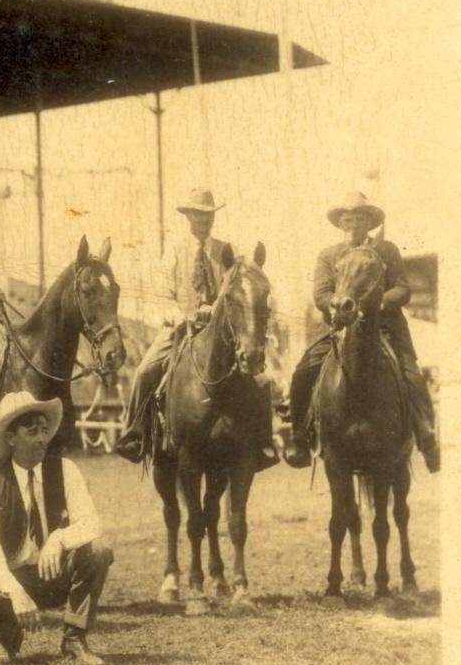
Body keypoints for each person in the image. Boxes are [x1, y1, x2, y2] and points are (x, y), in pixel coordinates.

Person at [116, 188, 275, 468]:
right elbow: (163, 293)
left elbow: (238, 288)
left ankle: (263, 442)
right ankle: (135, 434)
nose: (203, 221)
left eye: (208, 215)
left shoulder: (226, 250)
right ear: (188, 216)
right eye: (198, 215)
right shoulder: (175, 251)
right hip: (180, 327)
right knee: (145, 371)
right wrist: (180, 315)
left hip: (221, 331)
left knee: (260, 378)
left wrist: (217, 313)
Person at [283, 192, 439, 473]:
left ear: (369, 223)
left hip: (384, 327)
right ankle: (300, 438)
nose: (353, 225)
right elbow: (321, 292)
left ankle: (427, 437)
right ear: (341, 224)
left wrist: (379, 303)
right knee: (302, 373)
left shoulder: (387, 250)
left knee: (412, 375)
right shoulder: (329, 255)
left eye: (359, 219)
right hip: (340, 328)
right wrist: (335, 306)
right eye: (348, 220)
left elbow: (402, 288)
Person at [0, 391, 113, 665]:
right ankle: (9, 634)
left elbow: (92, 522)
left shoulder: (66, 470)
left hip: (56, 573)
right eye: (31, 431)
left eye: (45, 430)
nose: (42, 438)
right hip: (16, 579)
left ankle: (74, 639)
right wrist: (15, 591)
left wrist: (59, 539)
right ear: (11, 438)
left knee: (99, 550)